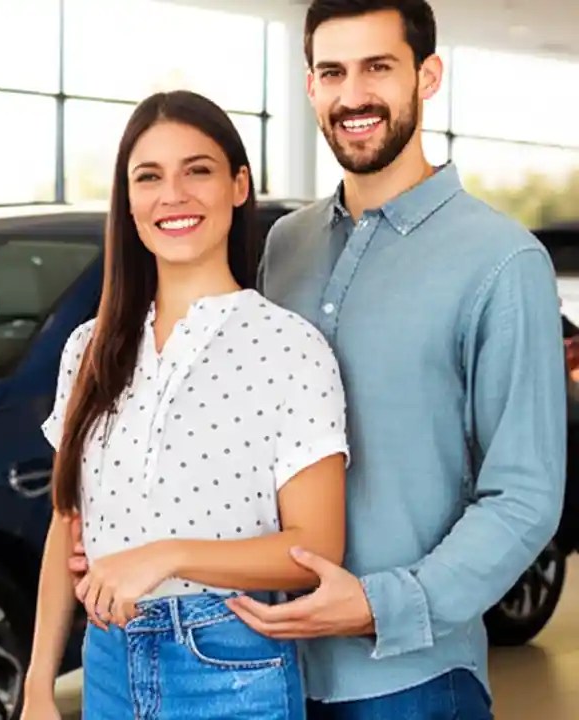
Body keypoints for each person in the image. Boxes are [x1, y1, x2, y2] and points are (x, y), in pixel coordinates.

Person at [69, 2, 567, 718]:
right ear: (310, 87)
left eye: (378, 68)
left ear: (427, 77)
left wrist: (381, 604)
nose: (353, 95)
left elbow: (525, 496)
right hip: (257, 669)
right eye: (332, 72)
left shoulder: (502, 261)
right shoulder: (286, 244)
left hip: (408, 679)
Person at [21, 89, 351, 720]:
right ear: (128, 201)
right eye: (149, 177)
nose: (172, 195)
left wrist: (166, 555)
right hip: (108, 665)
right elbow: (66, 527)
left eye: (197, 170)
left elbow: (316, 548)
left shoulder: (290, 347)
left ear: (238, 185)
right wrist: (38, 684)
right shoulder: (88, 348)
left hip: (233, 671)